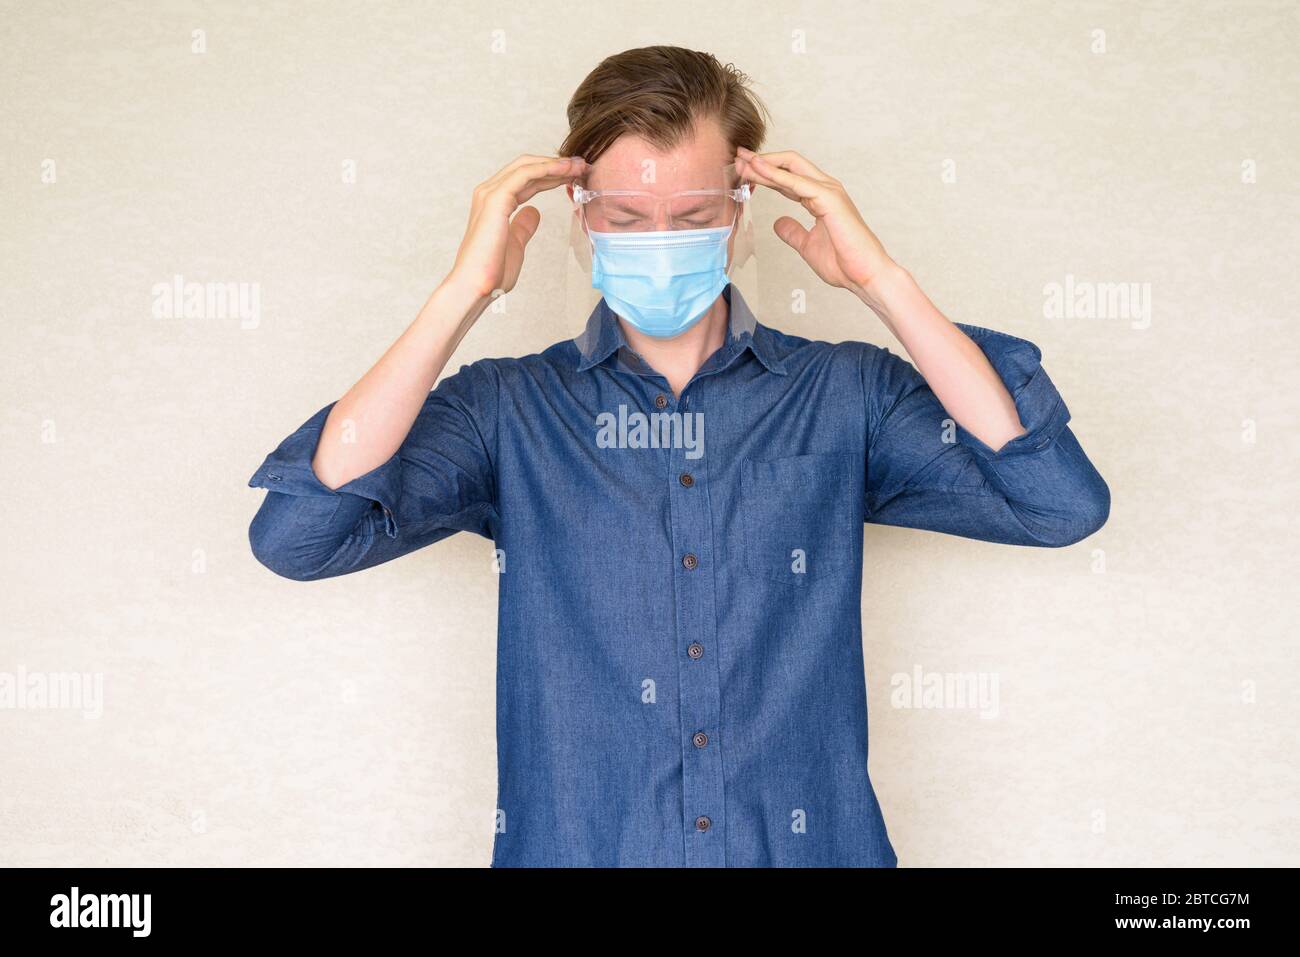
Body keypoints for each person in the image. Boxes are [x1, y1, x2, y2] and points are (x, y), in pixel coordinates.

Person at [247, 45, 1110, 867]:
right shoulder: (507, 410)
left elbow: (1057, 502)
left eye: (693, 215)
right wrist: (462, 292)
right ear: (580, 218)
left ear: (738, 208)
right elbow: (300, 536)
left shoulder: (846, 394)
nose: (660, 237)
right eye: (626, 216)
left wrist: (881, 280)